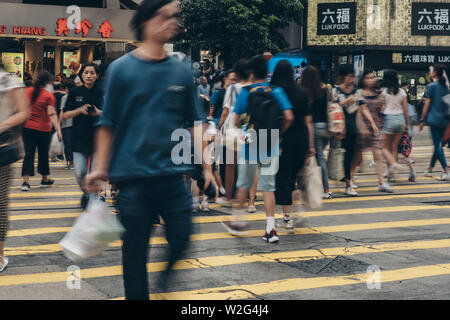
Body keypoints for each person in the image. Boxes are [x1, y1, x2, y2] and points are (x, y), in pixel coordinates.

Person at [85, 0, 212, 300]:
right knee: (135, 255)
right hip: (133, 180)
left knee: (182, 238)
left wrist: (207, 167)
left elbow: (195, 122)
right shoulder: (121, 70)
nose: (172, 21)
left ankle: (165, 279)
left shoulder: (180, 71)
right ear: (145, 21)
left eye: (175, 16)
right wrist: (101, 168)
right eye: (165, 15)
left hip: (172, 176)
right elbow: (108, 122)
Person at [222, 55, 294, 243]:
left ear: (251, 73)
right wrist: (278, 134)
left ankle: (238, 222)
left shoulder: (246, 92)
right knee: (268, 187)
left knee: (244, 185)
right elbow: (289, 116)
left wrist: (245, 137)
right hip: (271, 143)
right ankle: (270, 229)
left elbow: (236, 121)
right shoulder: (276, 91)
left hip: (251, 143)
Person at [271, 60, 313, 234]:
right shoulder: (302, 92)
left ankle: (287, 219)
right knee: (294, 175)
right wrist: (311, 146)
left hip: (283, 137)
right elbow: (308, 120)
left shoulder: (274, 91)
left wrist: (278, 134)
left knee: (283, 177)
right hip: (301, 136)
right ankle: (294, 212)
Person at [63, 63, 103, 208]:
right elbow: (65, 114)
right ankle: (86, 193)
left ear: (97, 76)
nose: (89, 75)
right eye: (86, 72)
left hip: (99, 140)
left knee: (94, 173)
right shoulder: (74, 92)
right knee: (79, 173)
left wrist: (98, 113)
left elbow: (112, 114)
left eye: (92, 73)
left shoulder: (102, 92)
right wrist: (79, 110)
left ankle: (92, 202)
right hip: (79, 138)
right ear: (82, 74)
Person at [0, 67, 29, 272]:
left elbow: (23, 112)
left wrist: (1, 125)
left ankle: (0, 255)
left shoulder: (8, 80)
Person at [356, 71, 401, 193]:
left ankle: (381, 182)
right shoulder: (359, 93)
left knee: (377, 155)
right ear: (363, 80)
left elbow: (381, 111)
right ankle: (349, 179)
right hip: (361, 128)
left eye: (373, 77)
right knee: (358, 158)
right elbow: (359, 110)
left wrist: (382, 106)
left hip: (375, 127)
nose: (372, 79)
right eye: (369, 77)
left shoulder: (378, 93)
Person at [216, 59, 251, 208]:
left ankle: (229, 197)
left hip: (233, 129)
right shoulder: (252, 87)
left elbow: (225, 111)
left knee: (230, 165)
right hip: (248, 127)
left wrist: (218, 128)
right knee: (248, 163)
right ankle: (248, 198)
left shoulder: (232, 88)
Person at [21, 71, 62, 192]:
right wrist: (58, 130)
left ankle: (25, 182)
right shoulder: (48, 95)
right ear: (48, 82)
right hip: (43, 130)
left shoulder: (27, 92)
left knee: (29, 154)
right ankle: (44, 179)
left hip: (27, 128)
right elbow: (52, 114)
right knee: (43, 154)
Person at [301, 66, 332, 199]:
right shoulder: (325, 90)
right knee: (321, 157)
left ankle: (326, 189)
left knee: (319, 158)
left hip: (315, 127)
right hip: (327, 127)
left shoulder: (306, 92)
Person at [333, 65, 361, 196]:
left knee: (351, 156)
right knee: (344, 156)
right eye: (349, 76)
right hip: (339, 128)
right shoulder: (336, 91)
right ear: (344, 77)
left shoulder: (357, 91)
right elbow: (331, 108)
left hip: (354, 128)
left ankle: (349, 179)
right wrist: (344, 103)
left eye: (353, 76)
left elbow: (362, 109)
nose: (352, 79)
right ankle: (348, 184)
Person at [420, 64, 450, 180]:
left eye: (430, 70)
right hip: (444, 120)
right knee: (439, 145)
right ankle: (430, 168)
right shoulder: (445, 86)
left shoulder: (431, 86)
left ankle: (446, 170)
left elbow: (426, 104)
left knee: (438, 146)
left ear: (435, 73)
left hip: (434, 119)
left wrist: (422, 119)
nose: (429, 72)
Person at [380, 70, 410, 183]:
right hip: (400, 119)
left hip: (388, 119)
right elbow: (406, 111)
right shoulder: (402, 92)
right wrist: (407, 124)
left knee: (384, 147)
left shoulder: (383, 91)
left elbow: (381, 107)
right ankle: (391, 175)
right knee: (394, 148)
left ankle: (391, 167)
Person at [59, 79, 76, 170]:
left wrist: (58, 124)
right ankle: (74, 162)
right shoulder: (77, 96)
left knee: (68, 145)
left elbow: (62, 111)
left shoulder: (65, 97)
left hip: (67, 124)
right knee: (74, 144)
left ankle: (71, 163)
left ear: (66, 88)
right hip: (77, 124)